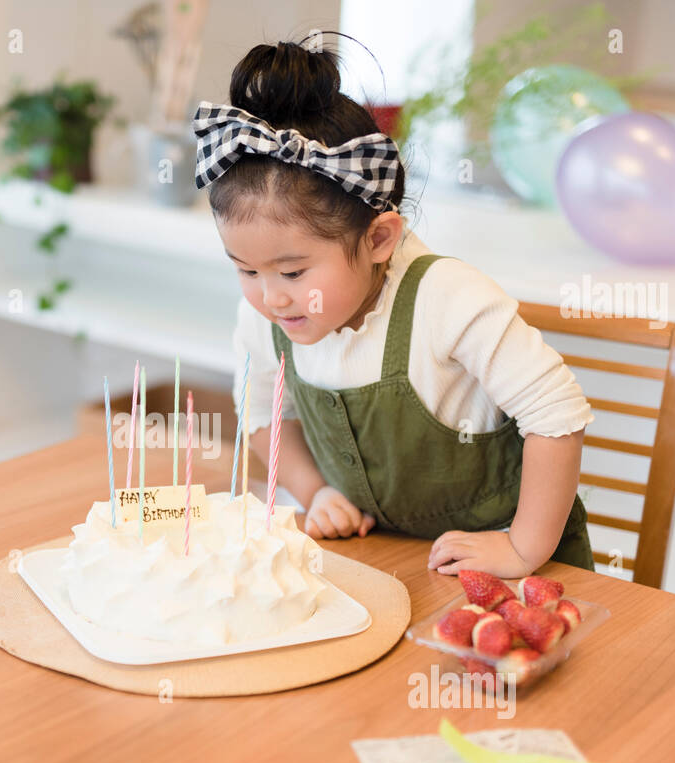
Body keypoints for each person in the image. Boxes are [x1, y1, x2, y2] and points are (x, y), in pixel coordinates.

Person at [195, 37, 595, 577]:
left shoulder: (450, 299)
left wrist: (523, 547)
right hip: (387, 563)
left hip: (508, 572)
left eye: (292, 272)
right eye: (245, 270)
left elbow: (557, 413)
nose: (271, 296)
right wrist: (314, 493)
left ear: (380, 239)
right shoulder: (266, 317)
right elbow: (264, 414)